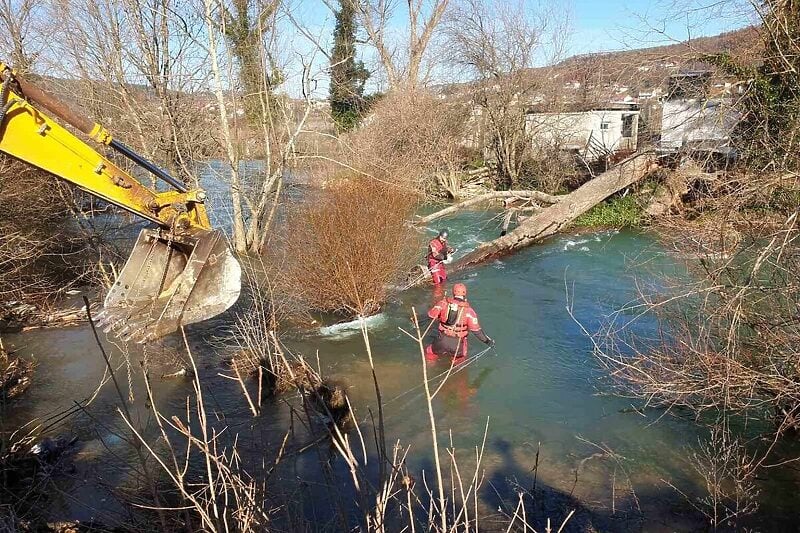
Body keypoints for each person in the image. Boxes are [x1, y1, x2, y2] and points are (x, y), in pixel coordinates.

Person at [425, 283, 494, 363]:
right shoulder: (469, 311)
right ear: (465, 294)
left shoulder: (443, 303)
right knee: (459, 360)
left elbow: (429, 316)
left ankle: (429, 367)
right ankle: (457, 370)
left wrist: (415, 321)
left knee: (430, 352)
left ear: (453, 292)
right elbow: (477, 332)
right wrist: (489, 342)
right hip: (457, 345)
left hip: (441, 341)